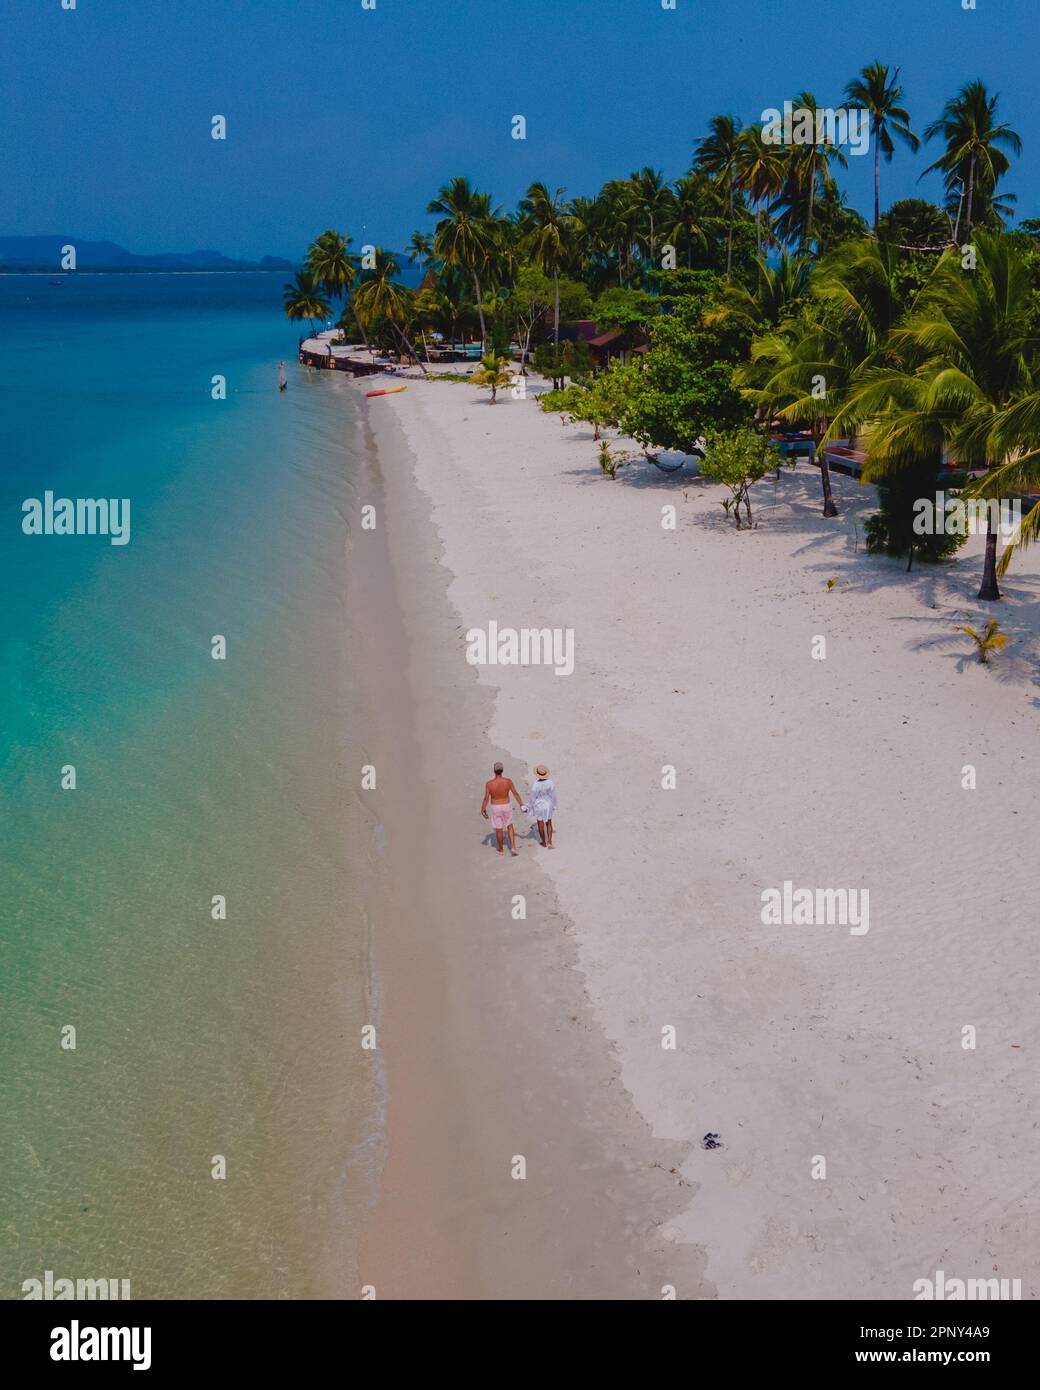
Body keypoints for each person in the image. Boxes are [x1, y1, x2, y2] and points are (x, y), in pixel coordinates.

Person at [481, 761, 523, 856]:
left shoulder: (489, 784)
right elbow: (515, 793)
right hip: (506, 805)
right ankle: (513, 847)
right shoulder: (508, 781)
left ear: (494, 771)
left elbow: (486, 798)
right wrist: (521, 804)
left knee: (499, 829)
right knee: (510, 825)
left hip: (495, 806)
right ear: (502, 770)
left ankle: (500, 849)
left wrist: (483, 808)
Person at [525, 764, 558, 848]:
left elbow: (532, 797)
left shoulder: (536, 784)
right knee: (549, 822)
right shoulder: (550, 782)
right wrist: (554, 805)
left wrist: (528, 807)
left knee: (540, 823)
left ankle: (544, 842)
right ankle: (550, 841)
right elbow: (553, 795)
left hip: (539, 805)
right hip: (548, 804)